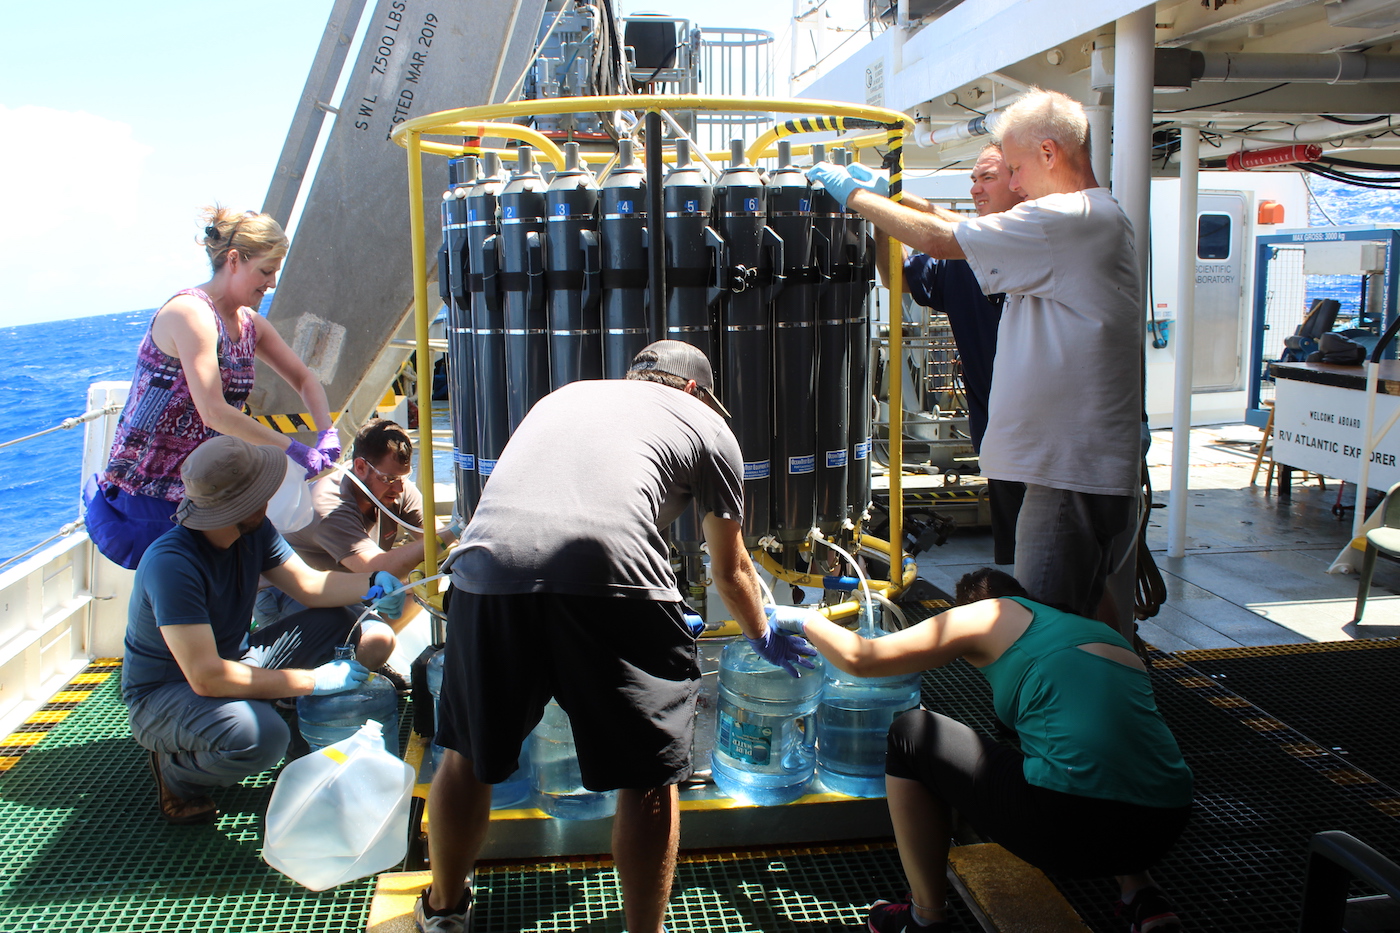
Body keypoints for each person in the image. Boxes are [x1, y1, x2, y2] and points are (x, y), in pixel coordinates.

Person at [416, 341, 817, 933]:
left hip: (488, 571)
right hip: (619, 579)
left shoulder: (566, 396)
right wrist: (764, 631)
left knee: (466, 755)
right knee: (647, 777)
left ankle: (445, 911)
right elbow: (729, 571)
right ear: (693, 390)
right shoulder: (706, 424)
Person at [809, 89, 1142, 620]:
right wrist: (894, 198)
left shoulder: (1068, 218)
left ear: (1050, 154)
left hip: (1065, 471)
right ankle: (1113, 689)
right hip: (1067, 465)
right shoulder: (1090, 216)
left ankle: (1051, 702)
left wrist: (855, 198)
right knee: (1087, 606)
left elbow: (943, 239)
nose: (1011, 184)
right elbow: (953, 225)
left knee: (1043, 626)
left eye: (1013, 168)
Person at [773, 568, 1191, 933]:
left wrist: (796, 619)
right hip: (1166, 824)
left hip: (1068, 825)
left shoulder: (989, 613)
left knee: (912, 732)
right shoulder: (1094, 632)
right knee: (1097, 752)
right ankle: (1142, 895)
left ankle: (923, 918)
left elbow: (862, 658)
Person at [121, 435, 406, 825]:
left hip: (236, 659)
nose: (269, 497)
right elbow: (206, 677)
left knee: (354, 628)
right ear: (234, 506)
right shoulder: (172, 565)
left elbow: (308, 586)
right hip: (168, 693)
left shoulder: (253, 531)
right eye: (260, 492)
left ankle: (297, 725)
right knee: (263, 738)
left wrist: (373, 582)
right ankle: (177, 773)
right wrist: (312, 681)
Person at [85, 206, 340, 570]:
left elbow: (304, 378)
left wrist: (327, 431)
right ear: (234, 260)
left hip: (207, 486)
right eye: (265, 271)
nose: (271, 282)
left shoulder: (250, 323)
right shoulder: (190, 313)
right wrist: (293, 448)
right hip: (152, 489)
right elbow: (214, 411)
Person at [874, 143, 1027, 565]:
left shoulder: (1035, 240)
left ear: (1019, 182)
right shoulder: (964, 260)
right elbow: (897, 276)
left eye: (988, 178)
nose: (977, 188)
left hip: (1056, 445)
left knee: (1074, 568)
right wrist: (884, 214)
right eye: (973, 179)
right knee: (1023, 561)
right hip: (1001, 443)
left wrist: (875, 200)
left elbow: (943, 236)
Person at [257, 419, 459, 632]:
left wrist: (453, 538)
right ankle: (361, 652)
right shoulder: (329, 505)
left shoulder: (395, 487)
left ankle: (374, 656)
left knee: (423, 587)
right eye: (389, 478)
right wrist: (455, 529)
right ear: (361, 467)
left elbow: (437, 540)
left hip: (348, 585)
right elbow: (378, 567)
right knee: (374, 638)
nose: (399, 488)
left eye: (404, 476)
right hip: (288, 593)